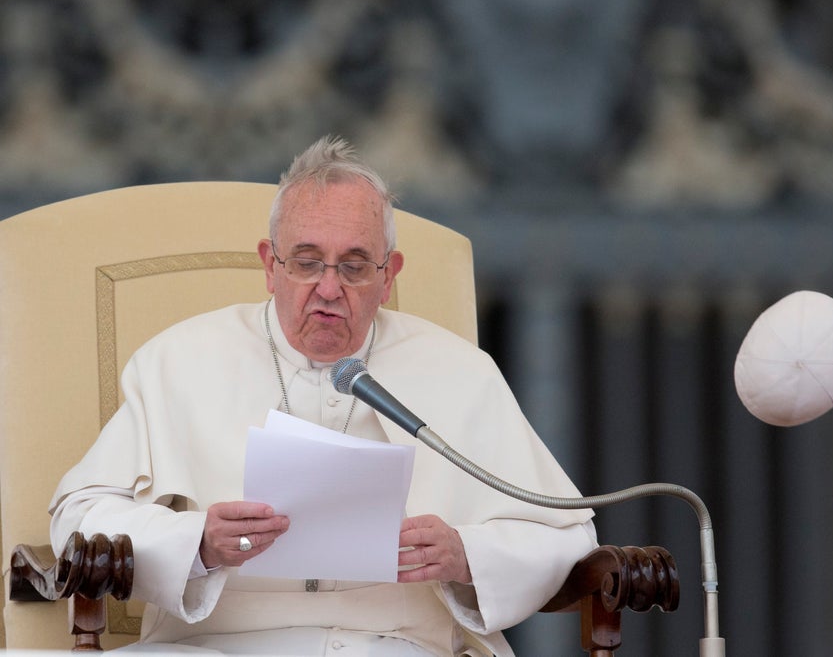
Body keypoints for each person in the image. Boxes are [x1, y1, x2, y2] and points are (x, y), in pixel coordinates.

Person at [49, 136, 597, 656]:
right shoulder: (177, 360)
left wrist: (466, 555)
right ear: (269, 265)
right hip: (214, 647)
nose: (329, 289)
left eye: (355, 266)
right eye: (307, 262)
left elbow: (567, 536)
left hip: (399, 646)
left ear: (389, 276)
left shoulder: (462, 373)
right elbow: (78, 515)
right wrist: (195, 543)